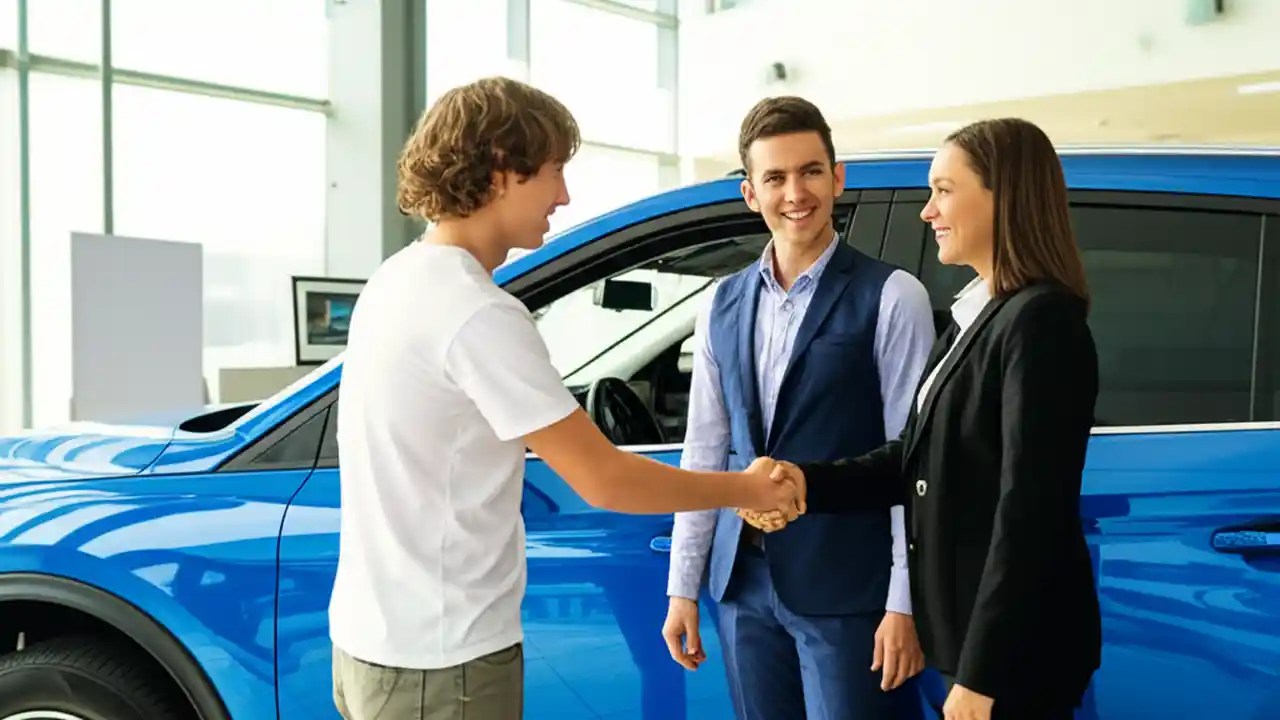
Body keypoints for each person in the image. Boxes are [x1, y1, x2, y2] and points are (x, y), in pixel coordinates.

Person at [326, 77, 803, 720]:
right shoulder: (474, 312)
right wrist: (746, 489)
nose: (564, 194)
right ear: (501, 171)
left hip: (374, 643)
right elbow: (604, 479)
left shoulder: (398, 279)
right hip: (443, 662)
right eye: (553, 172)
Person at [750, 117, 1102, 720]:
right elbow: (914, 462)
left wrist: (982, 676)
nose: (926, 210)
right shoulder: (976, 316)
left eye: (944, 189)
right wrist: (806, 481)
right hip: (972, 648)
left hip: (1012, 661)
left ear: (1003, 196)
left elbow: (1029, 514)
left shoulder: (1040, 322)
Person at [660, 96, 937, 720]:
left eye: (811, 171)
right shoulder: (720, 304)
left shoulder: (894, 297)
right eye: (775, 177)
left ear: (837, 178)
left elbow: (911, 464)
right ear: (749, 192)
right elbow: (705, 449)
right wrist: (683, 588)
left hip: (850, 588)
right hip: (743, 586)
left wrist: (904, 603)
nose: (796, 193)